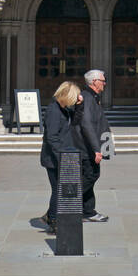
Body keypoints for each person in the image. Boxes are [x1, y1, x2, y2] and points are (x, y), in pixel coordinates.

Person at [39, 80, 81, 232]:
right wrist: (62, 157)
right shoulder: (54, 111)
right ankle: (54, 220)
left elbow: (77, 121)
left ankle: (51, 216)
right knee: (58, 189)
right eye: (74, 97)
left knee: (60, 189)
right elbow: (52, 137)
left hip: (64, 155)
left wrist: (79, 105)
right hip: (54, 159)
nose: (75, 100)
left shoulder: (64, 109)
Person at [71, 68, 111, 223]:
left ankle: (88, 211)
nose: (105, 83)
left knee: (90, 175)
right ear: (94, 82)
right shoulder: (87, 97)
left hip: (89, 146)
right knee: (91, 175)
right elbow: (86, 124)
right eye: (102, 80)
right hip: (86, 148)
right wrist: (96, 149)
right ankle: (69, 203)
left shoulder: (92, 96)